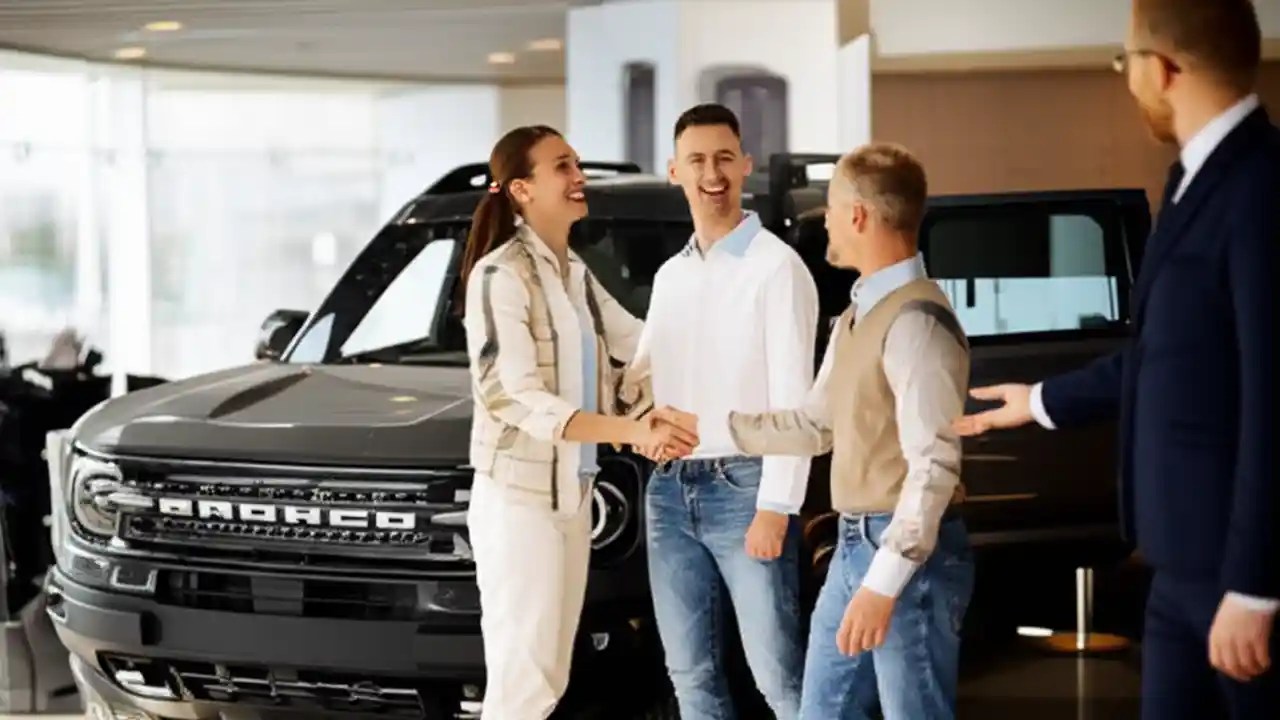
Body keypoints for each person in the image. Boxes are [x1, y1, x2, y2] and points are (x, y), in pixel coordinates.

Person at [952, 1, 1278, 718]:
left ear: (1161, 70)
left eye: (1125, 62)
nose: (1126, 80)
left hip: (1237, 581)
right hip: (1175, 570)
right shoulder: (1191, 179)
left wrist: (1256, 586)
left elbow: (1273, 400)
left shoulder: (1261, 188)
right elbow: (1166, 358)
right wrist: (1037, 401)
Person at [711, 142, 974, 720]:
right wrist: (716, 427)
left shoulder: (917, 324)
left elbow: (932, 469)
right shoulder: (859, 313)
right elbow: (815, 424)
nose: (824, 220)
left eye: (830, 208)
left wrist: (884, 584)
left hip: (908, 561)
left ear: (857, 215)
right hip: (855, 545)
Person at [459, 124, 698, 720]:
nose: (578, 176)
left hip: (571, 497)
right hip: (519, 502)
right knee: (524, 678)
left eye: (577, 163)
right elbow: (511, 396)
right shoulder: (499, 275)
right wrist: (635, 432)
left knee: (548, 676)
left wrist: (692, 379)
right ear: (521, 189)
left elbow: (639, 349)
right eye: (562, 166)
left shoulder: (572, 272)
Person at [626, 103, 819, 719]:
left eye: (723, 159)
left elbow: (796, 403)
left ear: (746, 167)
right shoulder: (669, 277)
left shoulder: (778, 269)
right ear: (675, 171)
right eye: (697, 161)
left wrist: (777, 506)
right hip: (669, 492)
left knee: (780, 679)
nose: (712, 174)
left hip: (748, 486)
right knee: (690, 677)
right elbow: (641, 377)